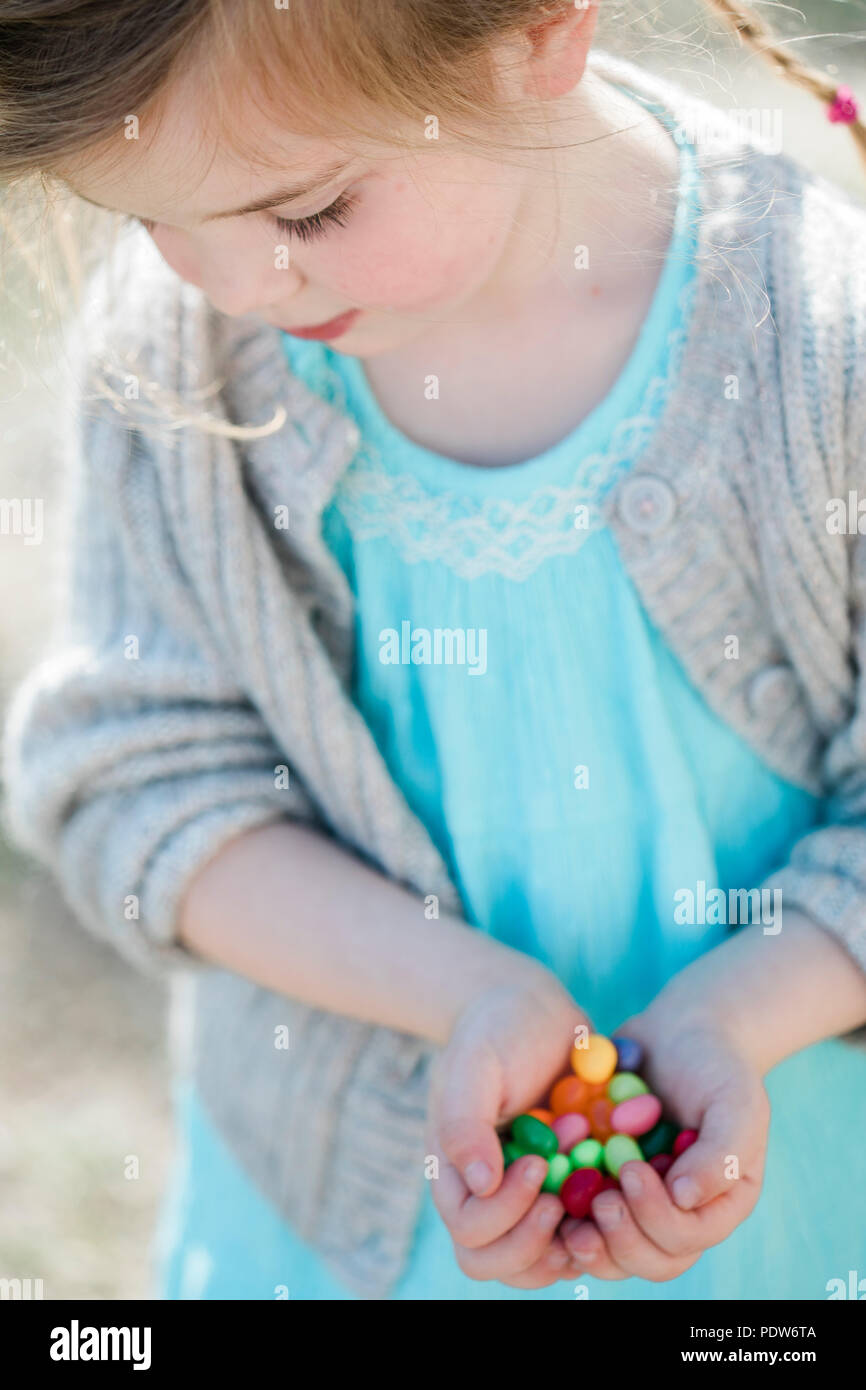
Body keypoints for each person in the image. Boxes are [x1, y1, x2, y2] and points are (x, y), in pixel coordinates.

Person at [3, 0, 866, 1300]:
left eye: (308, 214)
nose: (233, 284)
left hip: (776, 1208)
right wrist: (460, 992)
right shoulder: (177, 356)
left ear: (536, 33)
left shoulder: (816, 339)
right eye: (151, 218)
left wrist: (736, 1013)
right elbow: (136, 781)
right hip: (348, 1226)